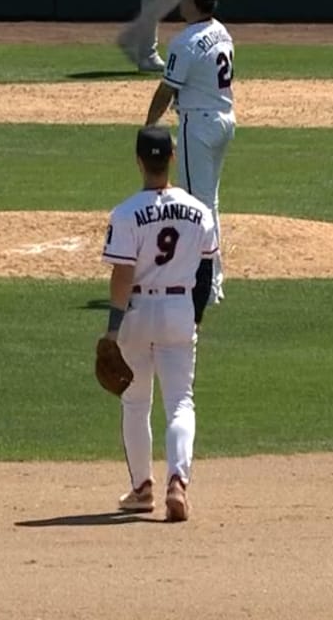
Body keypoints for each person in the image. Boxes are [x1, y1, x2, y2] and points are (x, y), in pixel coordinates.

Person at [100, 126, 220, 523]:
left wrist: (112, 331)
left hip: (136, 313)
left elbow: (122, 275)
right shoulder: (199, 210)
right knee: (180, 402)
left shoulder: (126, 212)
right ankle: (177, 484)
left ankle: (142, 488)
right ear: (171, 157)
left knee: (135, 403)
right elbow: (205, 274)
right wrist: (194, 317)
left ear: (138, 161)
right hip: (179, 311)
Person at [143, 0, 234, 304]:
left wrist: (149, 125)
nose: (180, 2)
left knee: (198, 206)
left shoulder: (185, 42)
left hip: (198, 124)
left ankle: (207, 285)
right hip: (224, 121)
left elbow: (168, 89)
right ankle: (213, 278)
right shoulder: (221, 31)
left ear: (194, 0)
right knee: (209, 200)